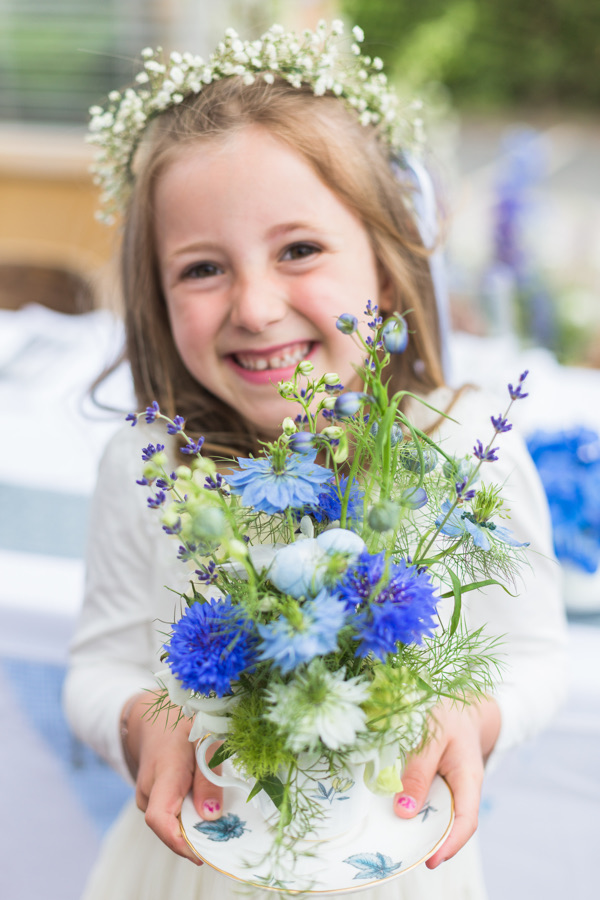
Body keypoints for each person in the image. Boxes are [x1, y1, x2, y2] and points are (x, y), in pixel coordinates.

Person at [63, 20, 567, 900]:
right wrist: (142, 719)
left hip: (394, 868)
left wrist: (474, 711)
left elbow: (537, 655)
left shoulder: (456, 447)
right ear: (152, 295)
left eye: (299, 250)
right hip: (193, 870)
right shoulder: (149, 463)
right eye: (201, 269)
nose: (256, 308)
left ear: (385, 259)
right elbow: (97, 665)